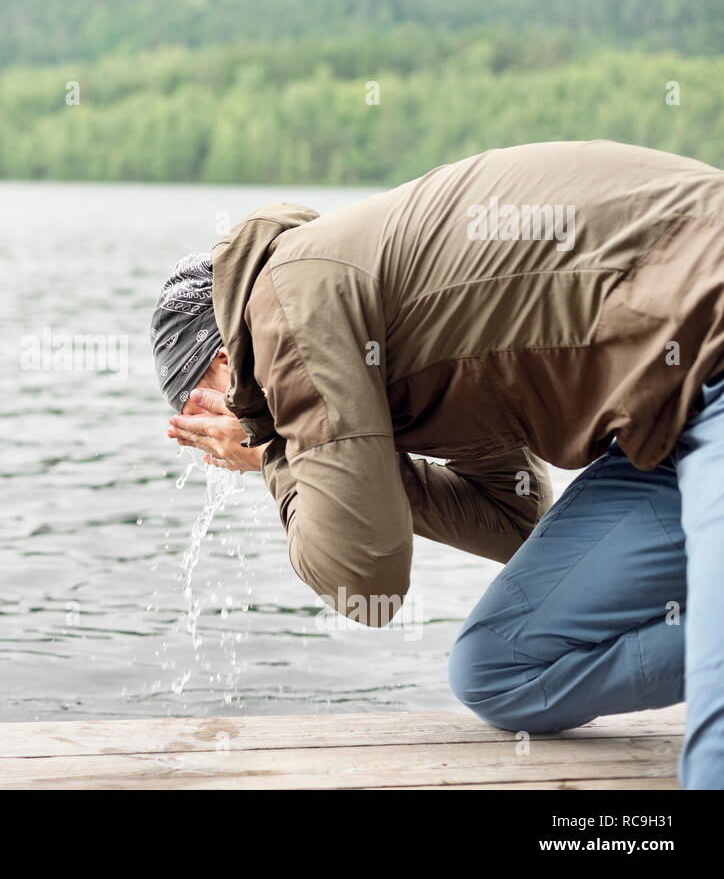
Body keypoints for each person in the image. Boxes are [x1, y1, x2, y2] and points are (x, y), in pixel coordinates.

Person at [150, 140, 724, 787]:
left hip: (709, 338)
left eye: (202, 409)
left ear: (224, 359)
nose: (221, 432)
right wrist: (333, 456)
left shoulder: (290, 300)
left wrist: (276, 452)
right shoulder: (370, 328)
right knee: (497, 667)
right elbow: (516, 515)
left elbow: (365, 584)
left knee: (711, 758)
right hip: (664, 425)